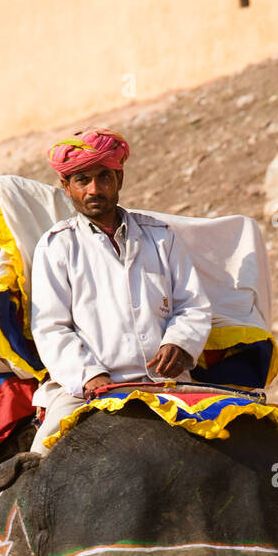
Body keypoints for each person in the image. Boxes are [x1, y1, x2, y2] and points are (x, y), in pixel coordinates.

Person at [29, 128, 212, 453]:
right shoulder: (57, 246)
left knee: (235, 445)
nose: (94, 189)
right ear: (66, 187)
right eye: (82, 180)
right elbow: (51, 327)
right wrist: (89, 376)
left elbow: (192, 304)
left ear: (120, 177)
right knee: (42, 465)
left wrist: (180, 343)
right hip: (87, 390)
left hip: (166, 383)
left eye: (104, 177)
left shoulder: (160, 236)